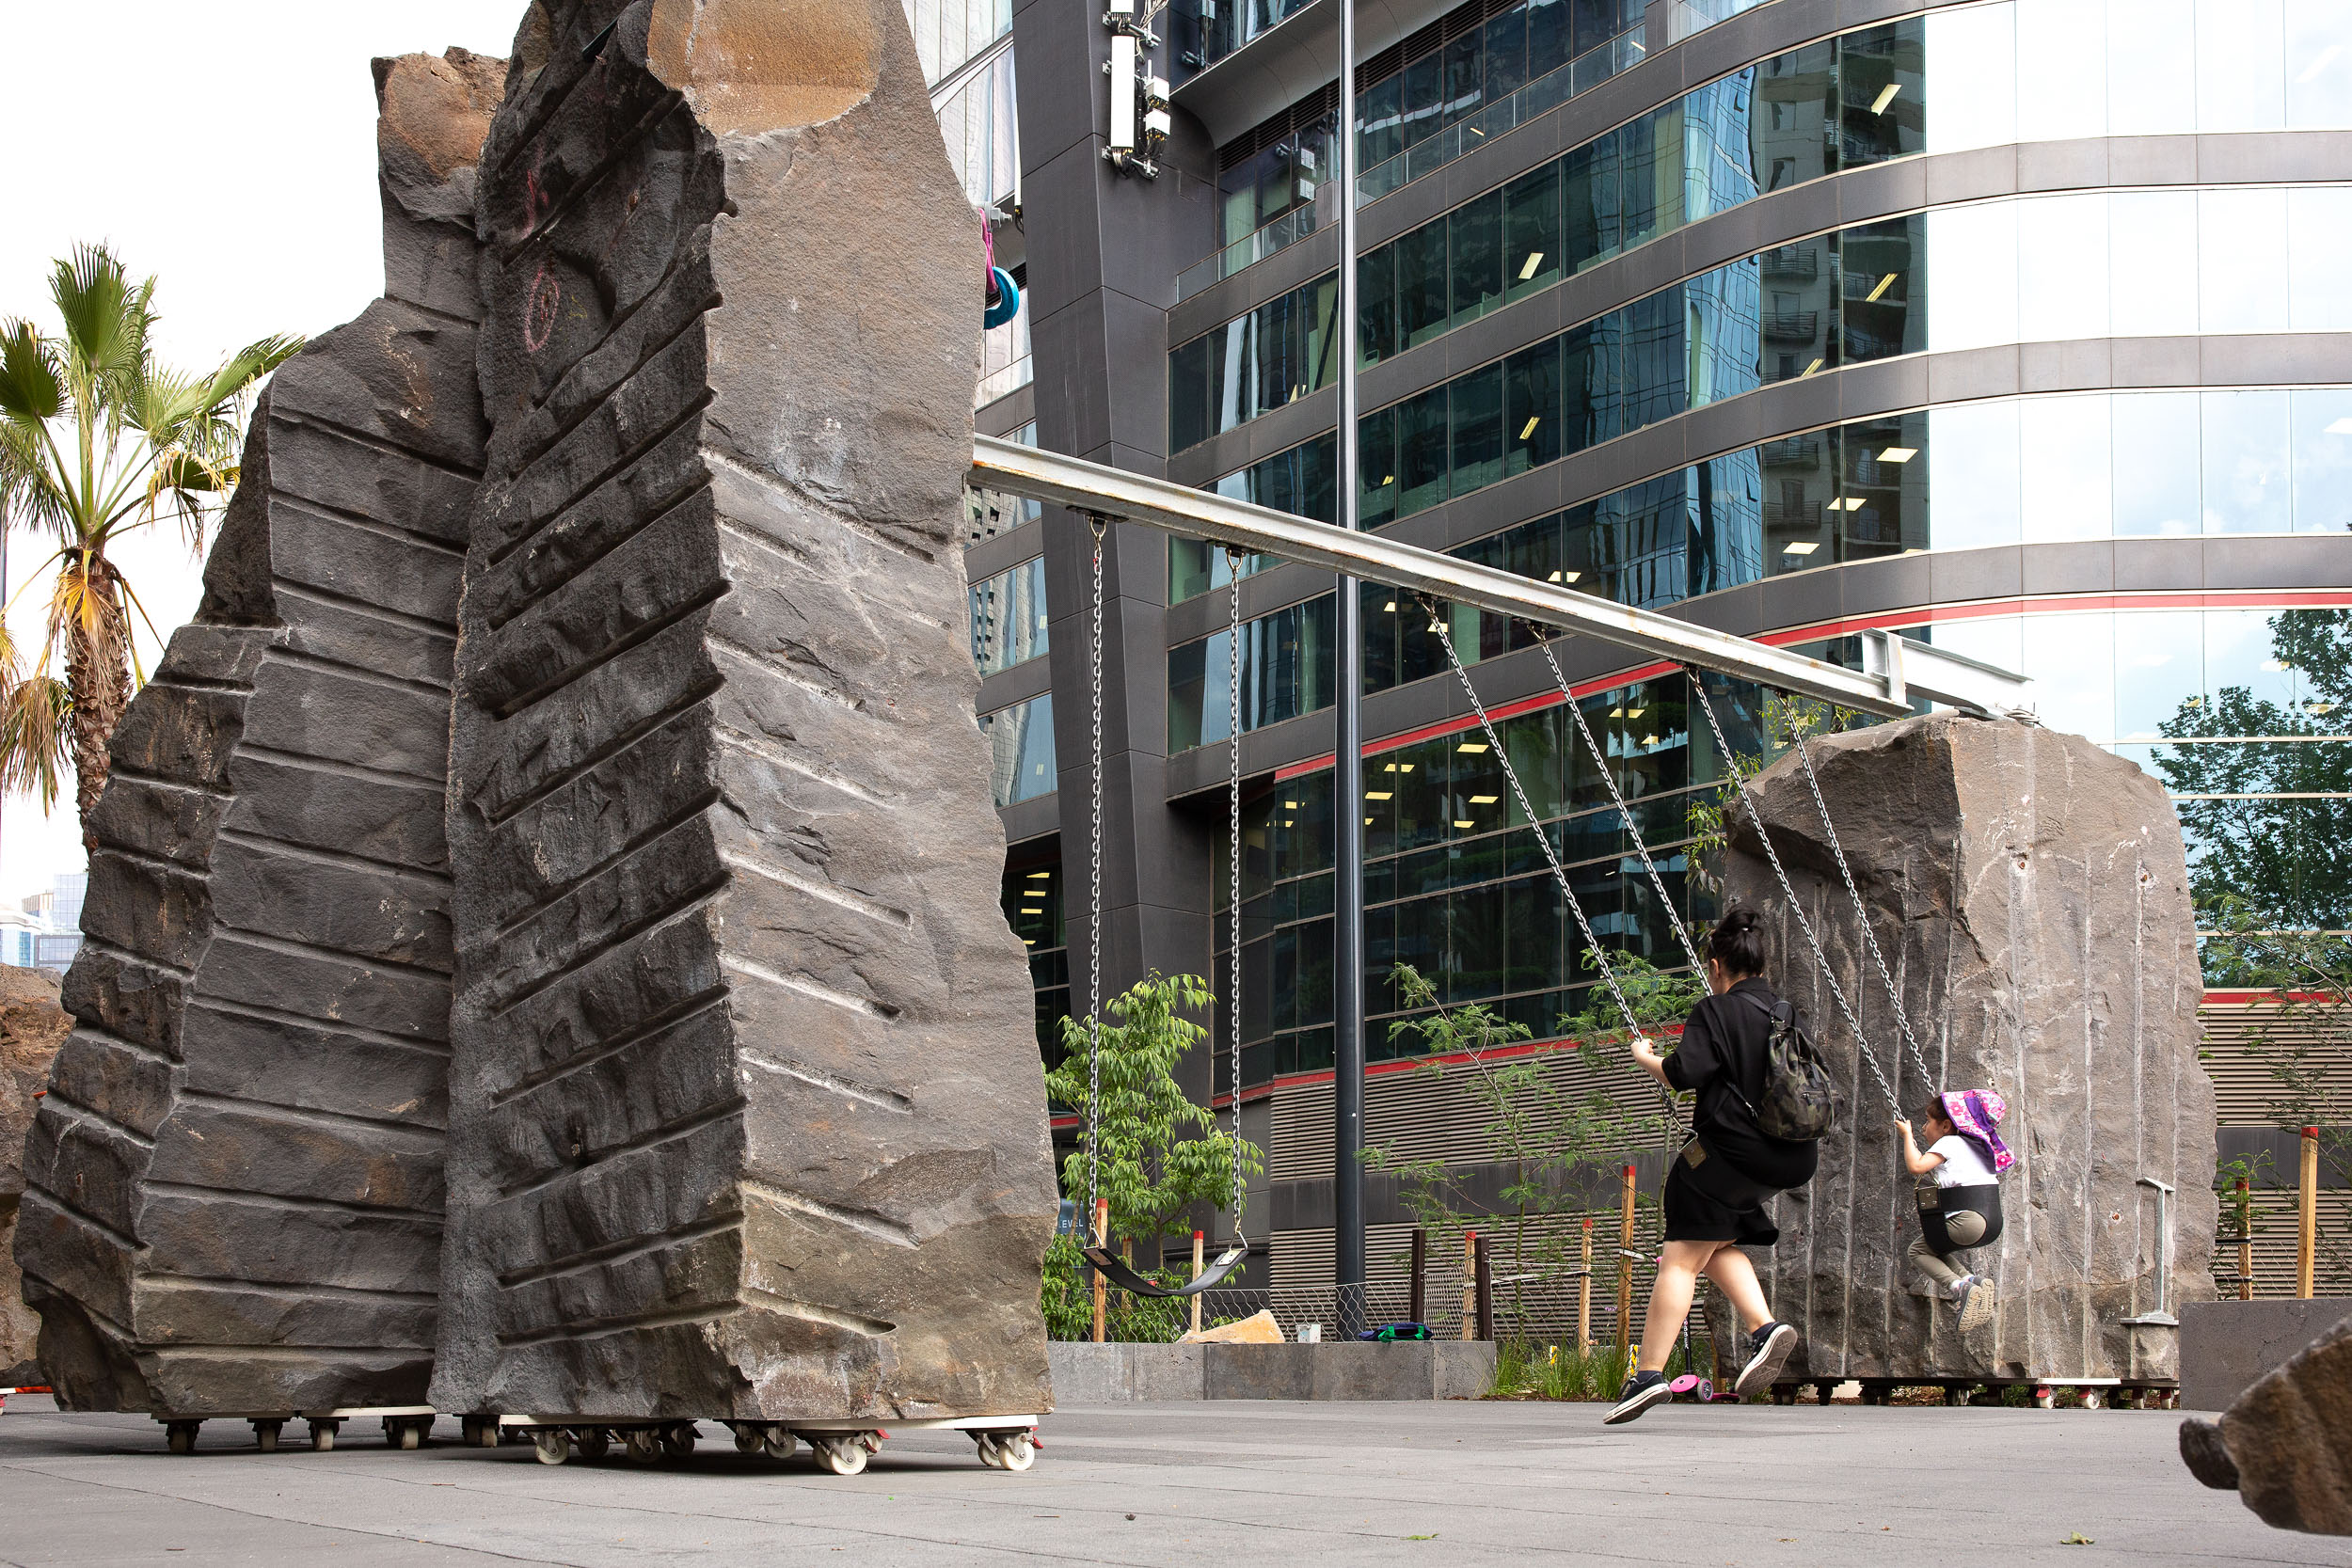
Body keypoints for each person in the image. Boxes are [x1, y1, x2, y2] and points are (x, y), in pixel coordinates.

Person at [1606, 908, 1820, 1425]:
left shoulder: (1716, 1010)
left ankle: (1648, 1374)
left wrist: (1644, 1057)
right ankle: (1765, 1330)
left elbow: (1684, 1072)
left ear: (1718, 965)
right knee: (1716, 1239)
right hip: (1792, 1157)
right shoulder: (1785, 1012)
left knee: (1680, 1252)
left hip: (1732, 1150)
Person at [1895, 1089, 2012, 1334]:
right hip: (1990, 1223)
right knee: (1935, 1247)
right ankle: (1973, 1281)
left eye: (1928, 1121)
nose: (1925, 1127)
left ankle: (1958, 1287)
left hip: (1969, 1220)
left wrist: (1907, 1135)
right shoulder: (1980, 1145)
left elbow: (1916, 1166)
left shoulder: (1949, 1142)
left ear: (1946, 1125)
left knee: (1917, 1251)